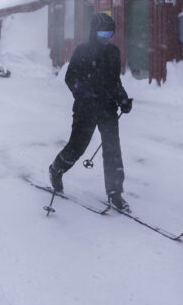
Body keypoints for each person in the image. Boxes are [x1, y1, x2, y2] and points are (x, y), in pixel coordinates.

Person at [48, 12, 134, 211]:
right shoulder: (82, 51)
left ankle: (115, 193)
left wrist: (123, 99)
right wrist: (85, 93)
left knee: (112, 149)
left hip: (108, 107)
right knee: (78, 146)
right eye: (102, 34)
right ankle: (57, 169)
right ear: (94, 32)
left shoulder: (113, 52)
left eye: (109, 34)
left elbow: (115, 81)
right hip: (86, 108)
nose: (106, 38)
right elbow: (71, 78)